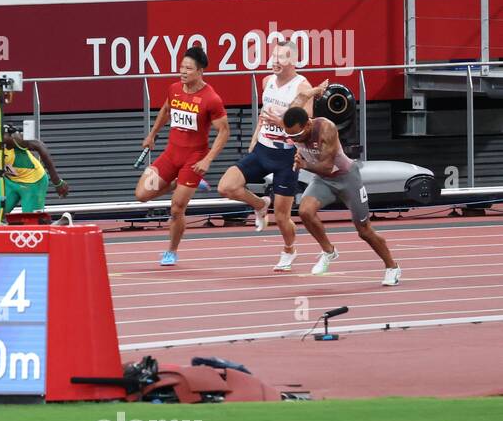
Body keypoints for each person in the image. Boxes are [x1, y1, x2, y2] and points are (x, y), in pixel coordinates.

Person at [217, 41, 330, 272]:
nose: (275, 61)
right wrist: (255, 136)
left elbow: (304, 127)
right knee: (226, 186)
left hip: (287, 156)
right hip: (263, 149)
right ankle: (260, 204)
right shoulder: (266, 81)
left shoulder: (303, 87)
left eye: (282, 57)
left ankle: (289, 249)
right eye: (274, 56)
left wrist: (281, 122)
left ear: (294, 61)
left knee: (281, 217)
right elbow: (263, 112)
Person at [282, 107, 401, 286]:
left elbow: (327, 167)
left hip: (346, 177)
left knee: (364, 231)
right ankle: (329, 251)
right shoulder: (294, 131)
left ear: (308, 124)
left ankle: (392, 266)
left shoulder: (326, 128)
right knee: (305, 212)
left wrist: (304, 165)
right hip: (323, 180)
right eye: (291, 136)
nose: (295, 139)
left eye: (297, 134)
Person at [134, 46, 231, 266]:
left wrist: (207, 160)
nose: (183, 71)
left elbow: (224, 132)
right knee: (141, 194)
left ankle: (171, 251)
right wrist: (152, 135)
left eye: (188, 68)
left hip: (193, 158)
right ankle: (178, 183)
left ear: (200, 71)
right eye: (181, 67)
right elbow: (166, 110)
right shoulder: (174, 89)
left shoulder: (211, 99)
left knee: (177, 208)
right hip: (171, 154)